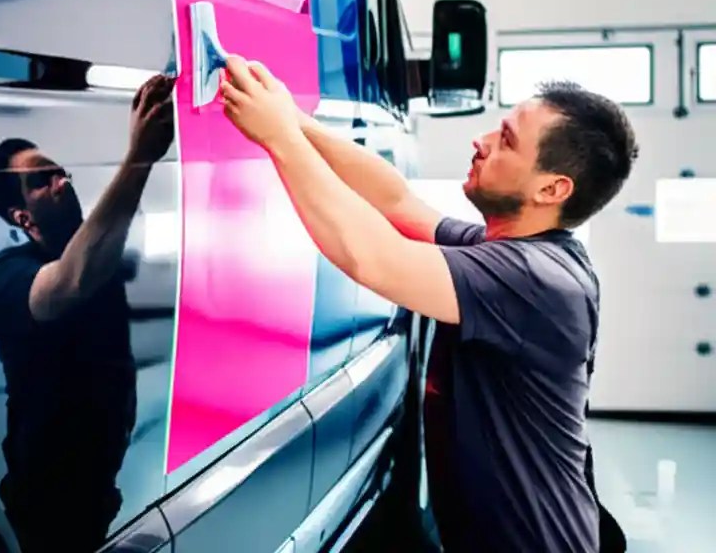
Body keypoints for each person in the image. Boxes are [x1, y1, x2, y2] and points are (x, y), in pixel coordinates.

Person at [218, 55, 637, 553]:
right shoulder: (511, 251)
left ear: (551, 188)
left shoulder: (534, 280)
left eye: (505, 140)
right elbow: (397, 204)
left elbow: (373, 258)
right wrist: (294, 121)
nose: (480, 142)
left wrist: (279, 140)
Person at [0, 75, 175, 553]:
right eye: (42, 181)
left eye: (61, 170)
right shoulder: (4, 278)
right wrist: (141, 155)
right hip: (47, 501)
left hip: (98, 487)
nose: (62, 180)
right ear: (21, 217)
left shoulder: (98, 252)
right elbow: (69, 283)